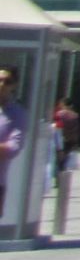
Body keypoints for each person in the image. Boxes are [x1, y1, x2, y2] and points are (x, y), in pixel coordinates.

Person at [0, 69, 27, 216]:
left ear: (14, 86)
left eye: (7, 82)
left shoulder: (17, 113)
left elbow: (13, 148)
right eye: (0, 80)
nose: (2, 84)